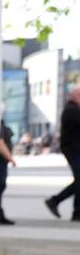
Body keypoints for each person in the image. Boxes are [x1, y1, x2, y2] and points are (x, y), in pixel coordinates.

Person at [44, 86, 80, 221]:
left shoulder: (73, 109)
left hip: (74, 150)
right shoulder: (72, 110)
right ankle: (58, 202)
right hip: (74, 150)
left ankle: (58, 203)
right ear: (77, 96)